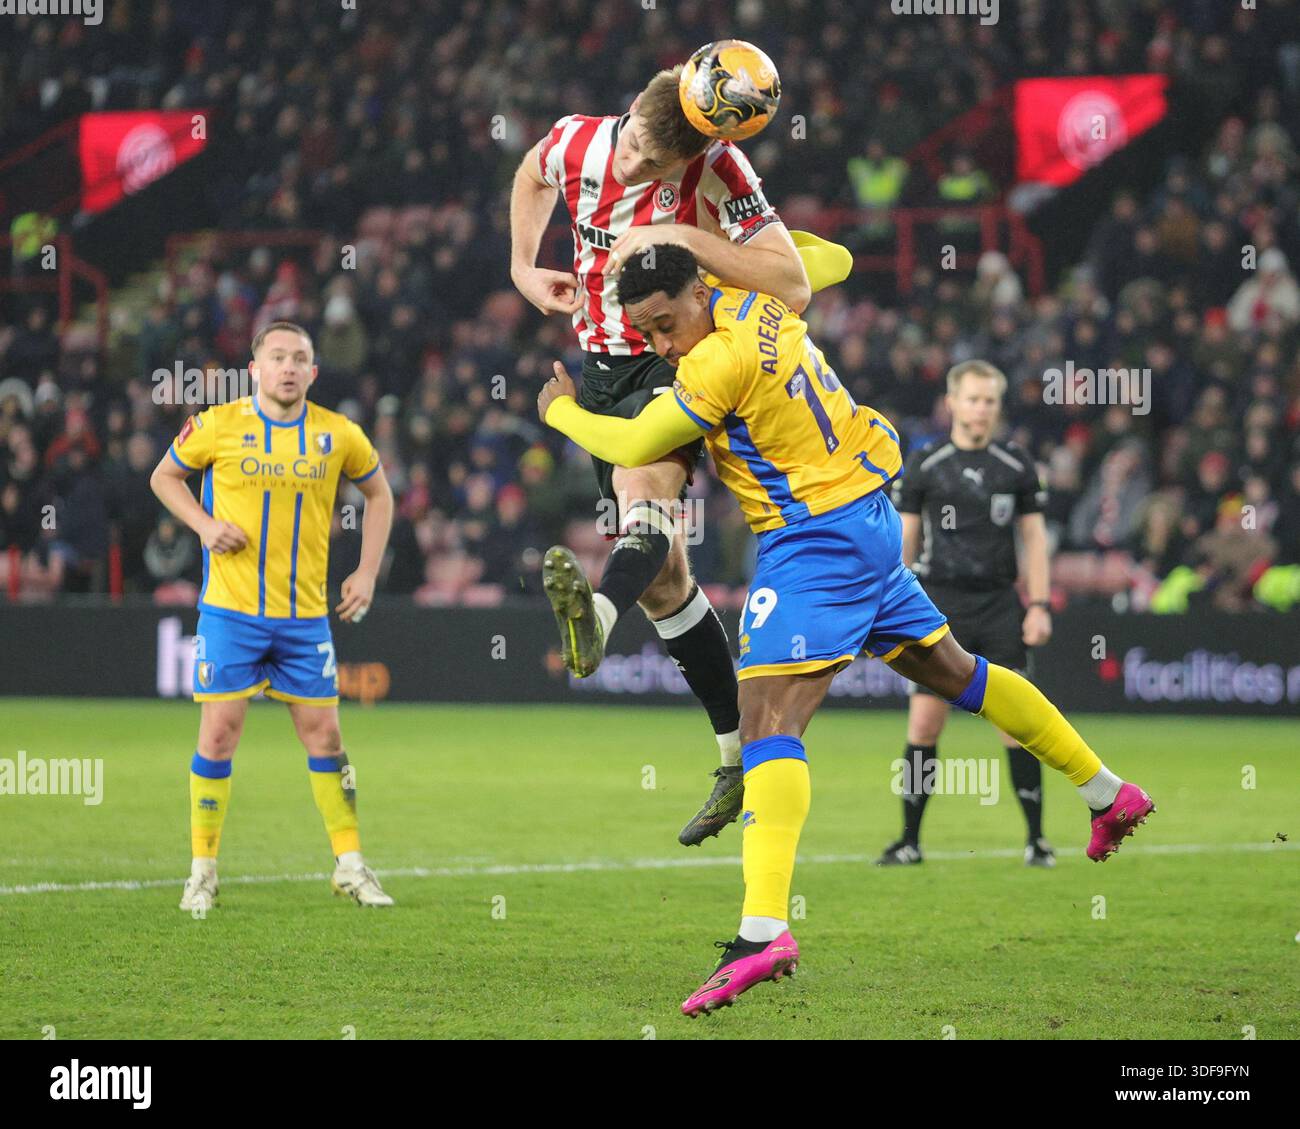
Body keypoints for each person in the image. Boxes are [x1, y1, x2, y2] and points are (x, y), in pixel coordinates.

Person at [536, 245, 1155, 1016]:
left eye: (666, 324)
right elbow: (828, 258)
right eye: (647, 333)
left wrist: (559, 409)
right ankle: (1109, 792)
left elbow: (630, 445)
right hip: (867, 511)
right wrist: (729, 244)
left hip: (814, 536)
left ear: (698, 291)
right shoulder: (762, 300)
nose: (662, 345)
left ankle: (763, 931)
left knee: (765, 723)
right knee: (958, 674)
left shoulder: (717, 362)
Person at [510, 62, 850, 846]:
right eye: (630, 145)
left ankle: (594, 614)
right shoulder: (579, 142)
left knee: (646, 499)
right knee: (665, 583)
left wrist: (678, 233)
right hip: (598, 365)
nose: (631, 166)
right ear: (627, 110)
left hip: (673, 356)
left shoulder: (719, 167)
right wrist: (524, 268)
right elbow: (531, 174)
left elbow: (792, 285)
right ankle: (734, 760)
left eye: (652, 167)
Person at [150, 322, 396, 911]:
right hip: (231, 613)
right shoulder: (218, 425)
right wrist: (206, 527)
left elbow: (381, 496)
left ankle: (350, 865)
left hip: (304, 617)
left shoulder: (338, 435)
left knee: (328, 738)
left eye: (300, 359)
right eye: (277, 356)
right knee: (218, 734)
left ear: (313, 372)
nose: (288, 367)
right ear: (255, 368)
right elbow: (164, 477)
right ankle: (202, 870)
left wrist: (365, 572)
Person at [878, 360, 1056, 868]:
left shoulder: (1016, 463)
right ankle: (909, 841)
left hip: (1000, 604)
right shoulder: (927, 462)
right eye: (973, 399)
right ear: (952, 403)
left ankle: (1037, 841)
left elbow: (1034, 540)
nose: (981, 409)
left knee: (1016, 726)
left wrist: (1038, 604)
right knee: (925, 725)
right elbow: (905, 538)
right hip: (938, 604)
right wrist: (893, 602)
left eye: (990, 401)